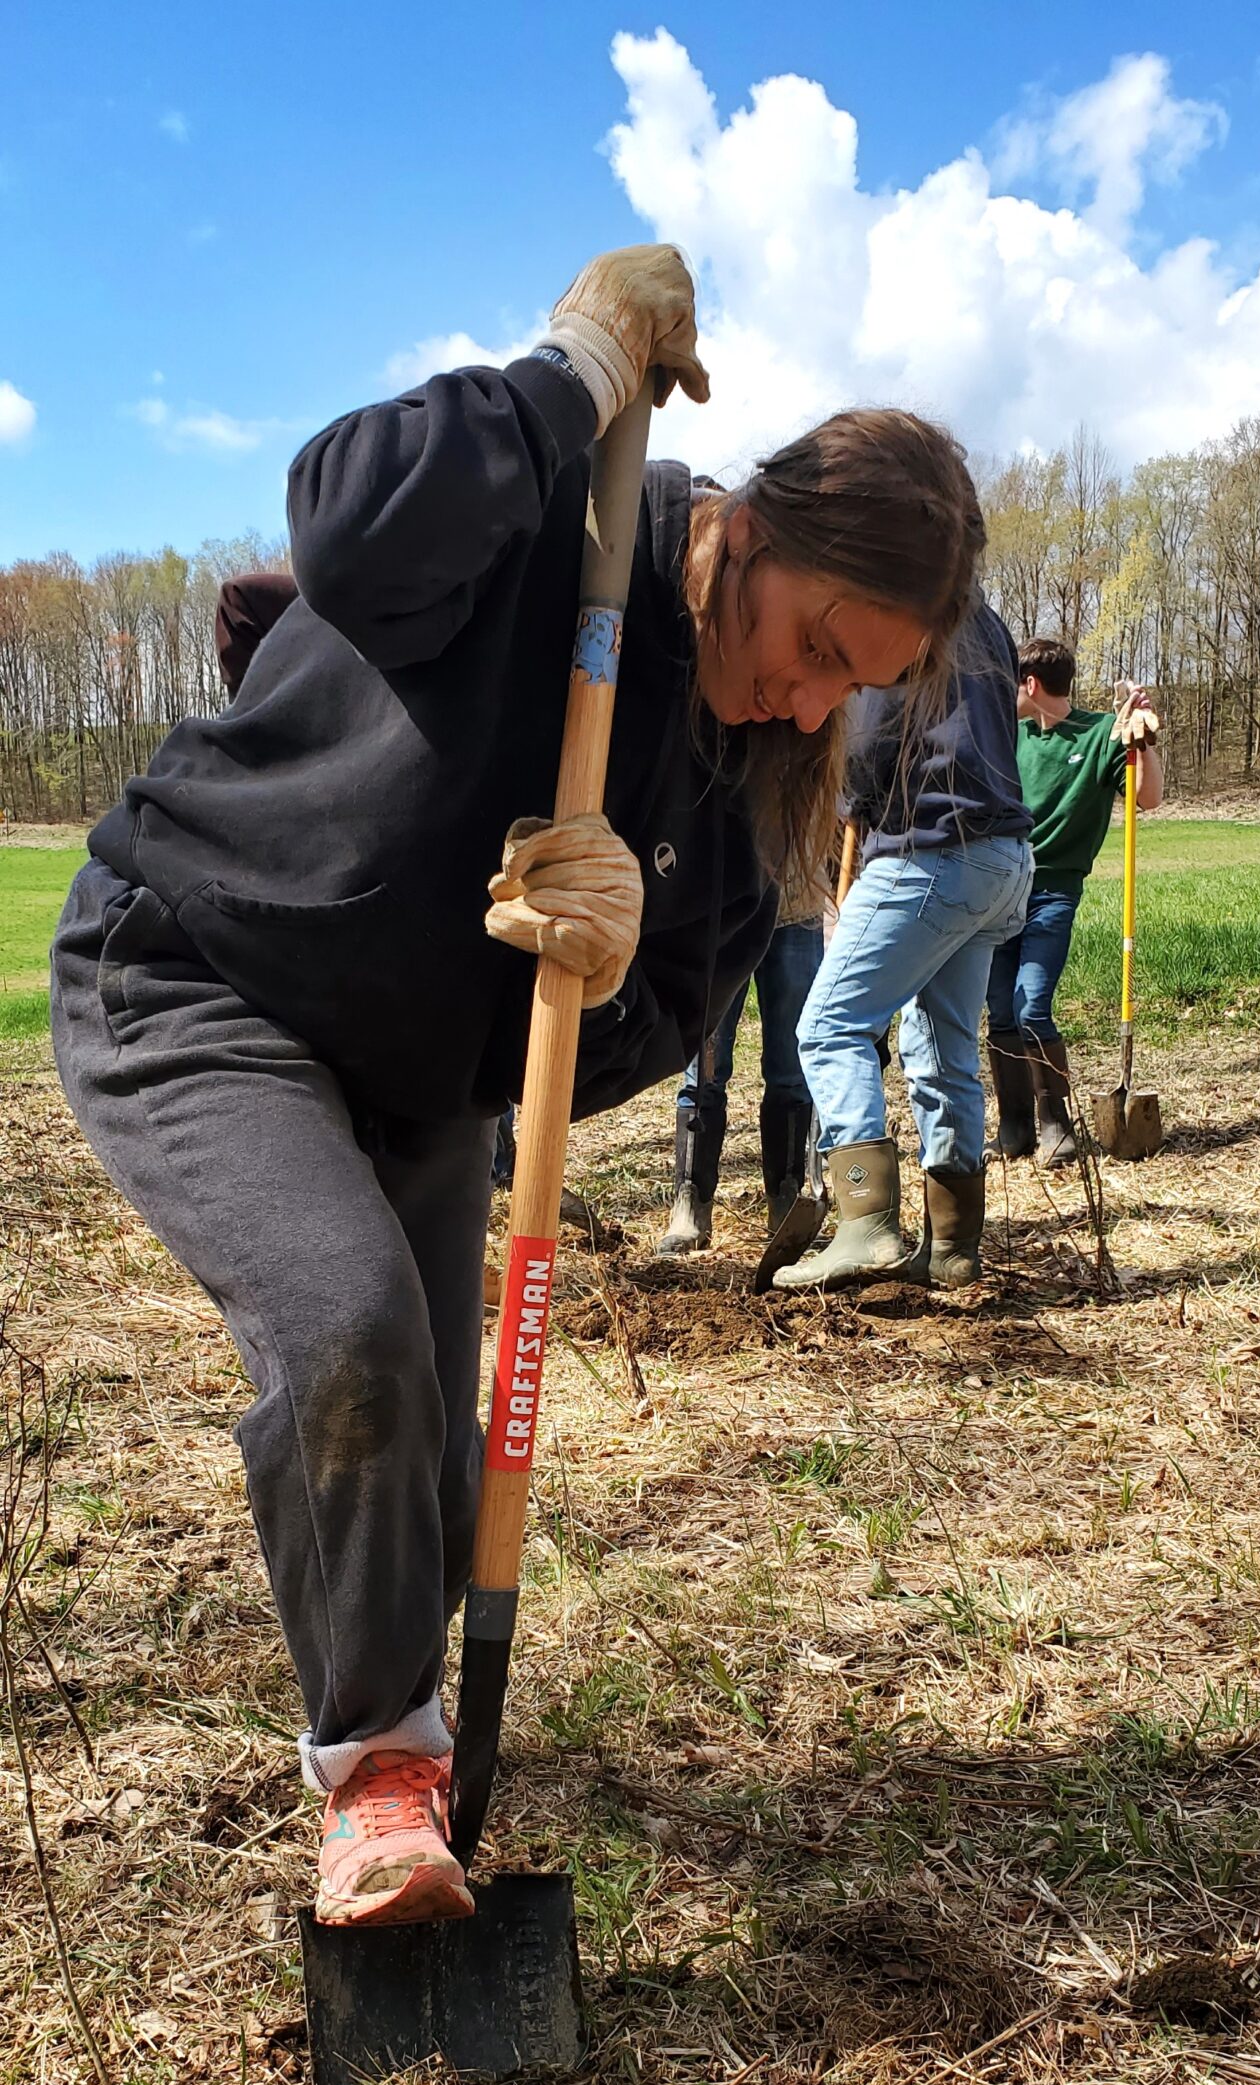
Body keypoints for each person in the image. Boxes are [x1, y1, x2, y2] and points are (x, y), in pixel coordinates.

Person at [51, 244, 985, 1929]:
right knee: (350, 1344)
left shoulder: (751, 770)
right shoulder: (558, 523)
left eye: (861, 683)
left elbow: (664, 1025)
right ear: (751, 536)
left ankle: (413, 1759)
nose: (817, 697)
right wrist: (569, 377)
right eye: (819, 644)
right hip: (201, 967)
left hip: (419, 1076)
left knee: (430, 1443)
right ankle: (382, 1777)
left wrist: (613, 975)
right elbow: (345, 520)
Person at [774, 600, 1032, 1291]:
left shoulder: (889, 606)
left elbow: (866, 738)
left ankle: (865, 1225)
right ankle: (951, 1246)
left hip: (930, 849)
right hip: (1001, 856)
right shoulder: (984, 617)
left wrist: (846, 795)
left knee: (829, 1026)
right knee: (942, 1046)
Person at [987, 638, 1162, 1166]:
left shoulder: (1100, 734)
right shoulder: (1004, 736)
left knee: (1030, 1006)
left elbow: (1148, 798)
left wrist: (1145, 740)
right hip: (997, 889)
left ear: (1031, 684)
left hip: (1053, 891)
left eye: (1012, 683)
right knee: (999, 1010)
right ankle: (1013, 1125)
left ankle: (1053, 1123)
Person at [658, 910, 824, 1254]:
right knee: (703, 1073)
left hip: (796, 904)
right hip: (722, 905)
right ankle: (691, 1201)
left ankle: (786, 1199)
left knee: (791, 1073)